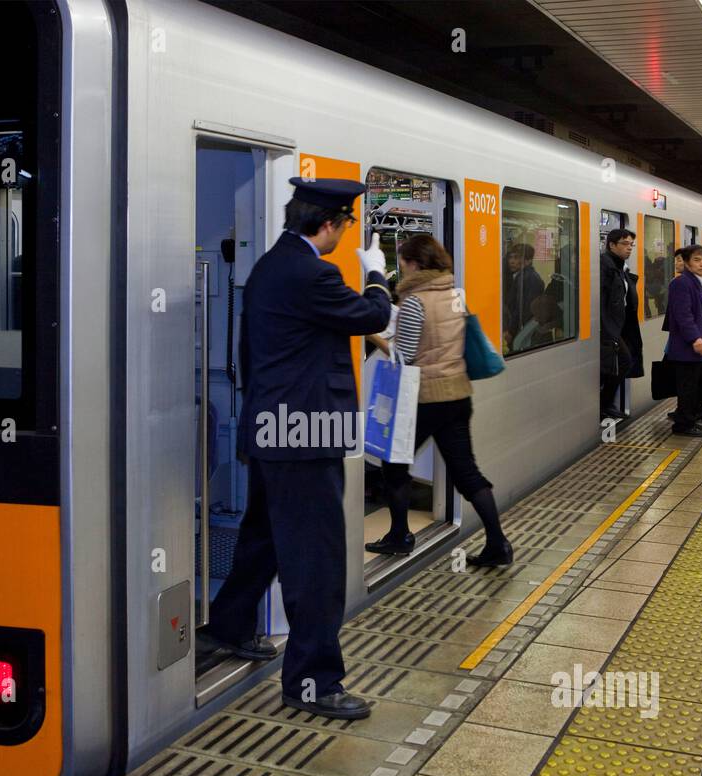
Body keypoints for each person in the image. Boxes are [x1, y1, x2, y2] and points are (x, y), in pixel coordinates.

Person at [200, 177, 391, 721]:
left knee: (263, 539)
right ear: (328, 224)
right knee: (317, 561)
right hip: (303, 438)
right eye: (346, 225)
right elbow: (374, 313)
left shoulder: (269, 267)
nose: (345, 235)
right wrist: (376, 272)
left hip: (273, 432)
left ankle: (229, 627)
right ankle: (311, 682)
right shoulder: (314, 272)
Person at [365, 235, 512, 567]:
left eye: (402, 261)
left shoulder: (416, 301)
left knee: (394, 464)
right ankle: (498, 544)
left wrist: (372, 335)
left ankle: (400, 535)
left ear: (416, 264)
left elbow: (404, 355)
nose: (400, 267)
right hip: (457, 394)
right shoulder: (454, 294)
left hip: (425, 398)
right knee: (467, 472)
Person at [665, 245, 702, 436]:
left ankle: (690, 415)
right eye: (697, 260)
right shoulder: (681, 283)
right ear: (688, 263)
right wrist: (694, 338)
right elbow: (683, 315)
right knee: (688, 385)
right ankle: (683, 424)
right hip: (689, 345)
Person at [599, 228, 643, 420]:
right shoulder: (606, 266)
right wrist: (608, 330)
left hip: (622, 323)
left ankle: (606, 404)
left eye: (631, 244)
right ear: (611, 245)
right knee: (623, 361)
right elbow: (602, 300)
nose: (629, 248)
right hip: (610, 326)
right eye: (625, 244)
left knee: (621, 361)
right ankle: (603, 404)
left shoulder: (620, 266)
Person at [502, 243, 544, 350]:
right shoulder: (519, 276)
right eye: (510, 257)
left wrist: (511, 331)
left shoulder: (529, 279)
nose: (512, 261)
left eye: (517, 258)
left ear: (528, 260)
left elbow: (523, 310)